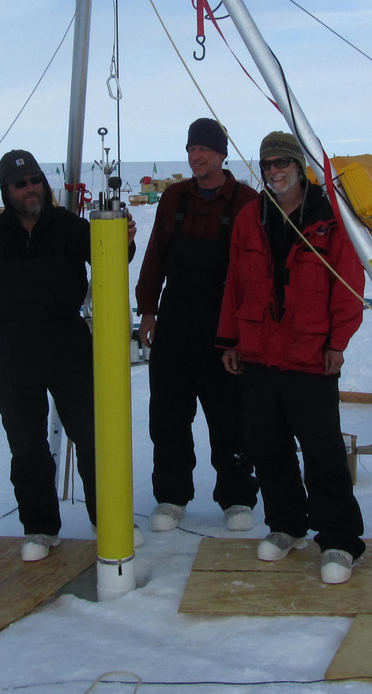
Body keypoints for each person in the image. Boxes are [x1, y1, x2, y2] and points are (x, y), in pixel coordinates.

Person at [0, 149, 136, 562]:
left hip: (67, 343)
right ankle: (40, 528)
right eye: (20, 184)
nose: (30, 190)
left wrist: (124, 241)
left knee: (93, 435)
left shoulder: (67, 226)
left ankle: (108, 520)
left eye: (35, 181)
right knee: (26, 444)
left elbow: (110, 257)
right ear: (7, 191)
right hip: (12, 348)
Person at [216, 131, 366, 584]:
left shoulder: (330, 218)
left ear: (300, 167)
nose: (275, 171)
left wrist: (337, 343)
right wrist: (229, 340)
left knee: (322, 450)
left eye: (283, 162)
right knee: (268, 446)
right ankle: (286, 526)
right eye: (268, 165)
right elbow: (235, 282)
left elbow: (349, 286)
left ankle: (339, 539)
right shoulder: (249, 217)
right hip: (260, 354)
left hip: (310, 355)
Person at [135, 118, 261, 534]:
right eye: (191, 149)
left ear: (222, 154)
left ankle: (238, 497)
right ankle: (171, 496)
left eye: (203, 149)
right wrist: (148, 310)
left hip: (224, 327)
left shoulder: (246, 200)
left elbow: (256, 270)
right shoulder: (174, 197)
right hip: (175, 321)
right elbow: (155, 255)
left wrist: (246, 330)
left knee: (231, 416)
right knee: (168, 415)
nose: (195, 156)